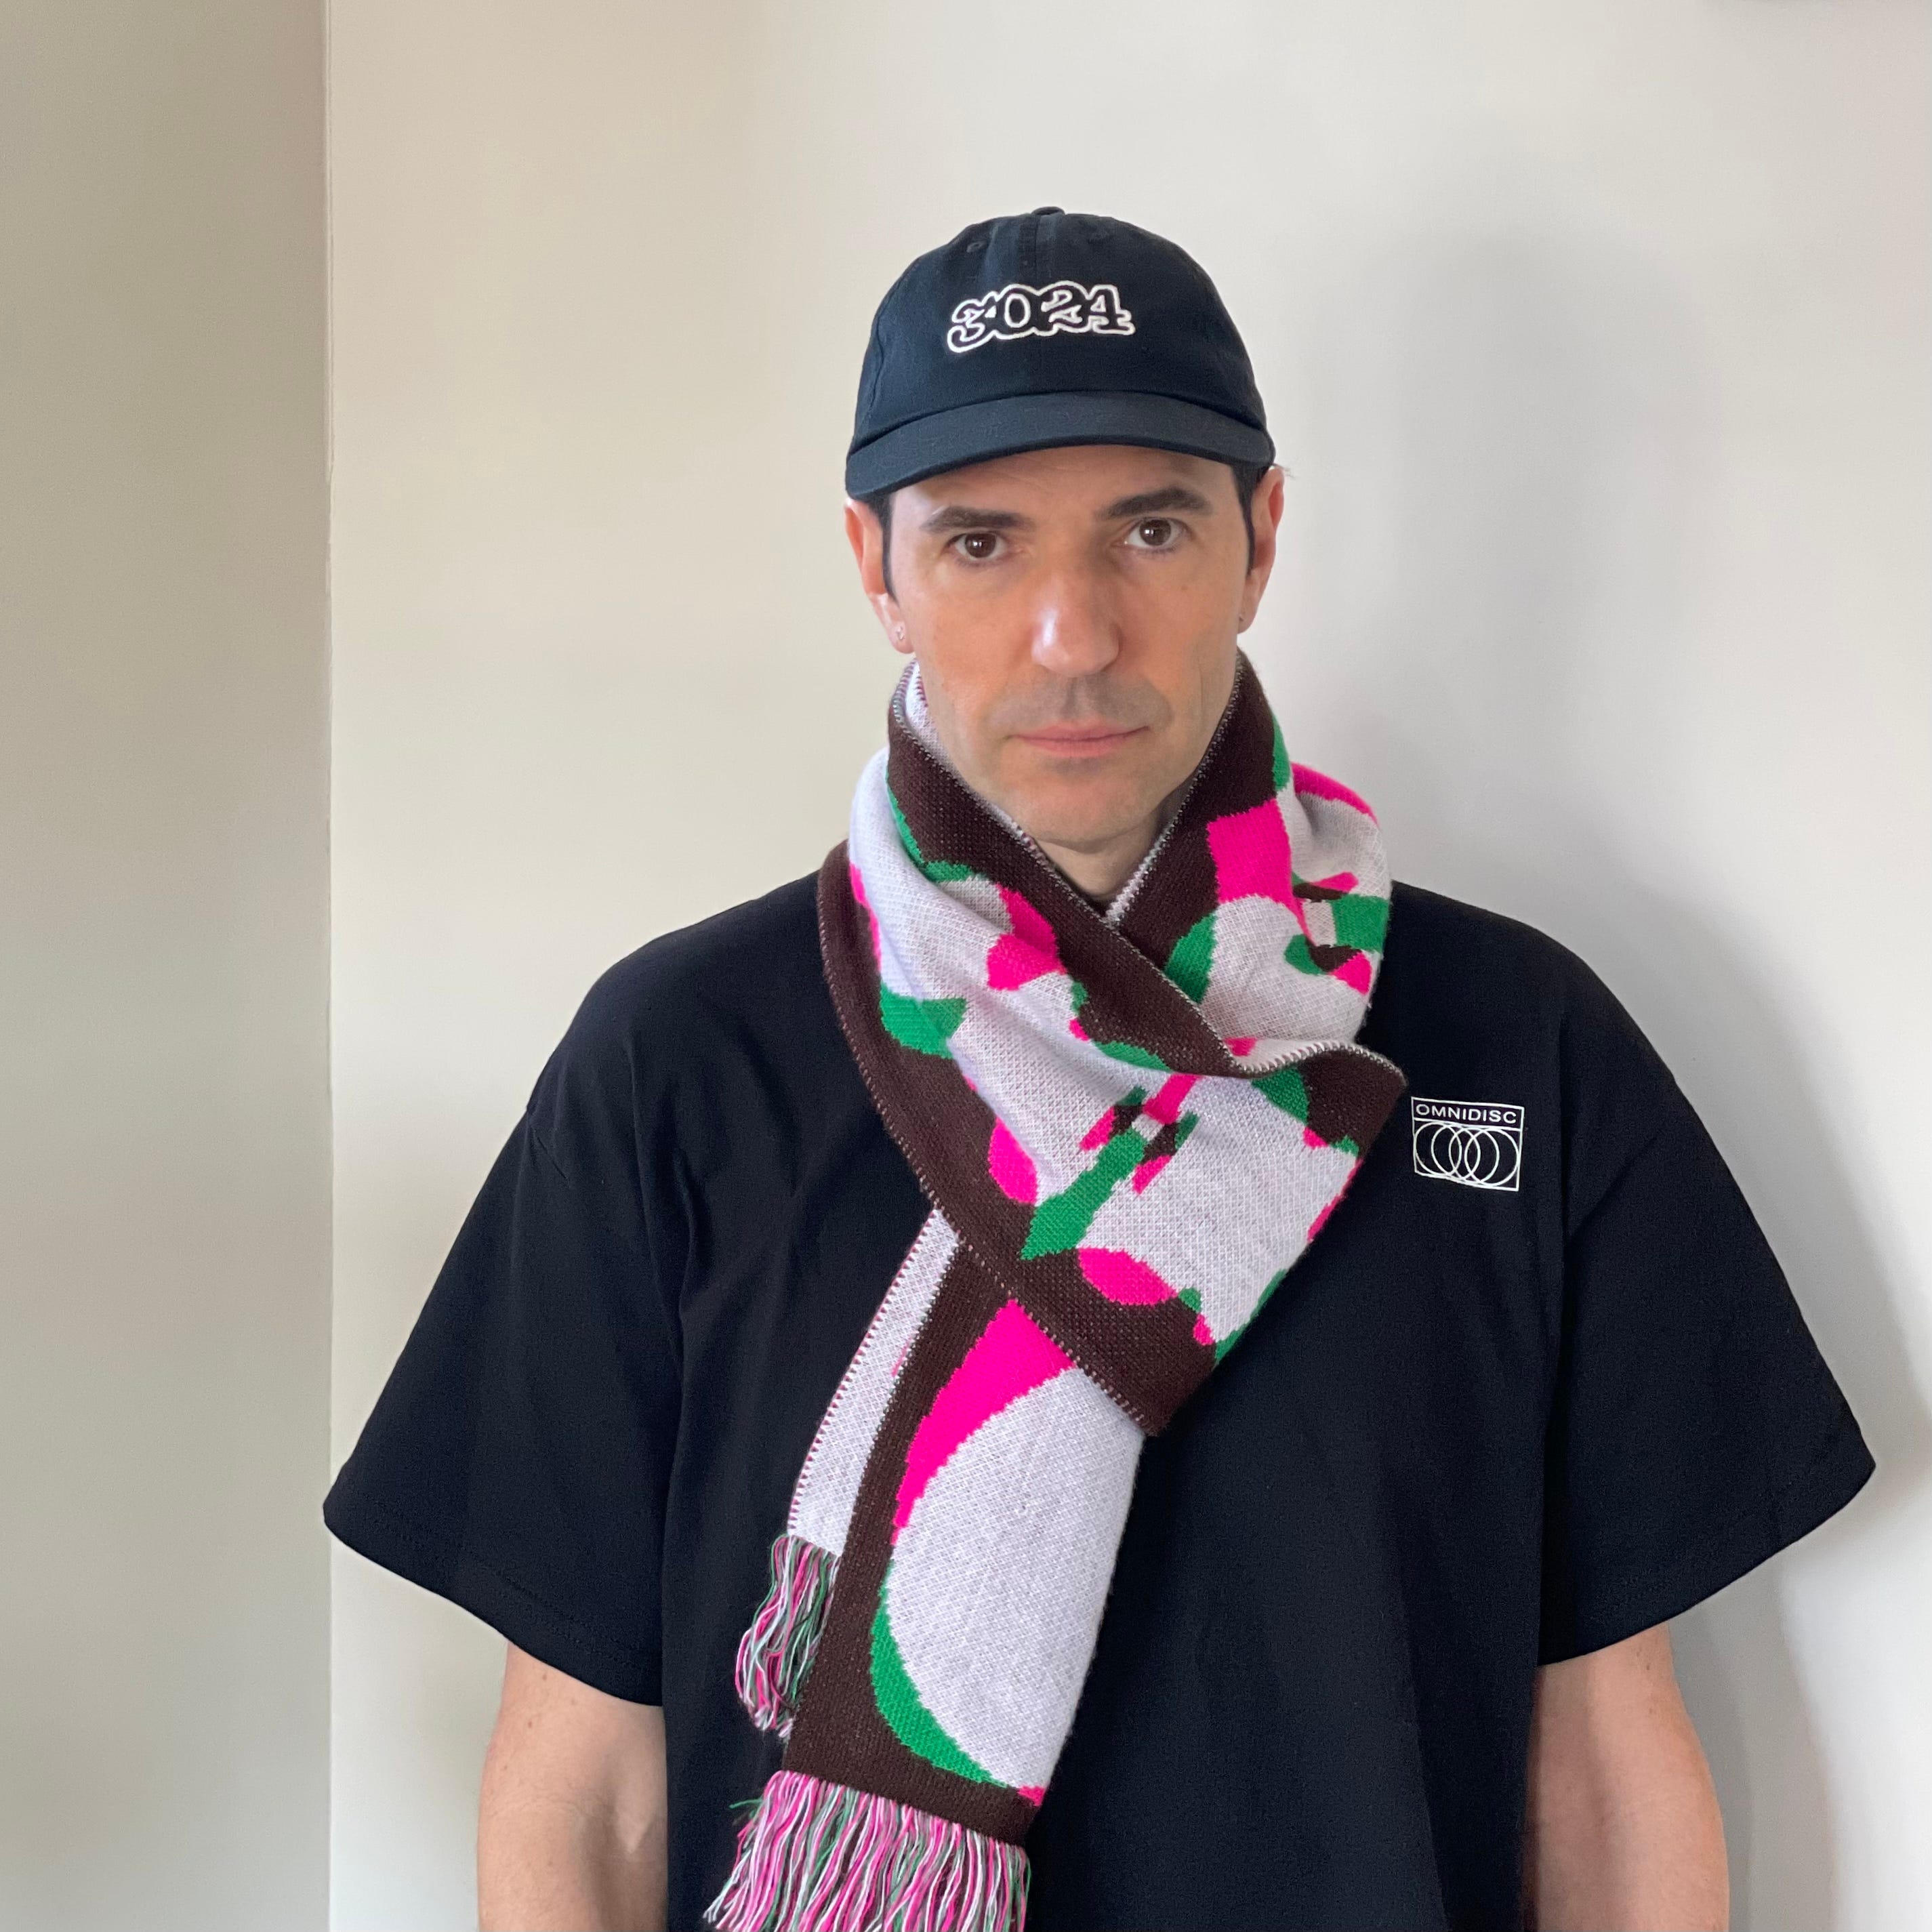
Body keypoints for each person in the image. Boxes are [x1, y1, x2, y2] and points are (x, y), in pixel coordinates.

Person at [324, 207, 1874, 1932]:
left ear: (1259, 540)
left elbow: (1599, 1766)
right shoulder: (678, 1062)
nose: (1071, 632)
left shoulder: (1517, 1045)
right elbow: (588, 1787)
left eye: (1150, 527)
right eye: (980, 541)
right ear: (875, 566)